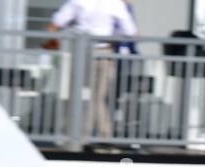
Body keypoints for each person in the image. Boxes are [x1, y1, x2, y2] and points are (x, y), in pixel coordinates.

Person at [49, 0, 139, 142]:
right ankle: (103, 135)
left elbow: (57, 22)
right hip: (104, 51)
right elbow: (130, 32)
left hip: (81, 49)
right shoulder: (115, 3)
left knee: (78, 93)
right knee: (98, 96)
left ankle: (76, 134)